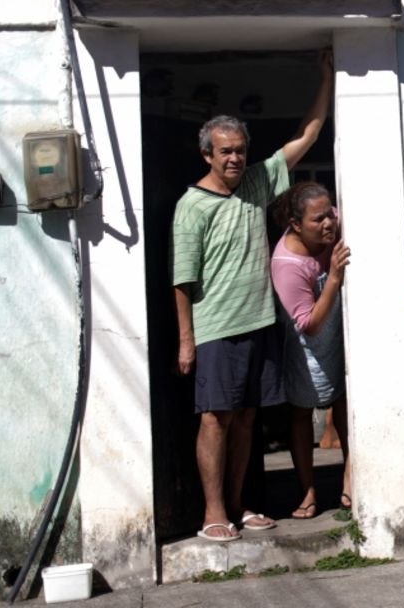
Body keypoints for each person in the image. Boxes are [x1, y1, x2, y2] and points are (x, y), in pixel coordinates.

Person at [170, 50, 333, 542]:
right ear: (207, 155)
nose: (235, 157)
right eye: (225, 151)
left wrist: (325, 74)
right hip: (217, 329)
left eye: (240, 149)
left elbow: (306, 137)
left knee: (246, 422)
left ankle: (240, 507)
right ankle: (213, 513)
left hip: (260, 322)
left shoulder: (256, 184)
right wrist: (186, 340)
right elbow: (182, 279)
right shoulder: (192, 207)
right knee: (215, 421)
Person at [271, 182, 352, 519]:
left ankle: (350, 480)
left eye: (330, 213)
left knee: (346, 402)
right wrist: (332, 276)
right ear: (296, 225)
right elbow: (311, 324)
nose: (329, 224)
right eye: (318, 219)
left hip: (340, 334)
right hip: (308, 345)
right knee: (302, 412)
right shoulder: (287, 265)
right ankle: (308, 492)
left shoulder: (330, 231)